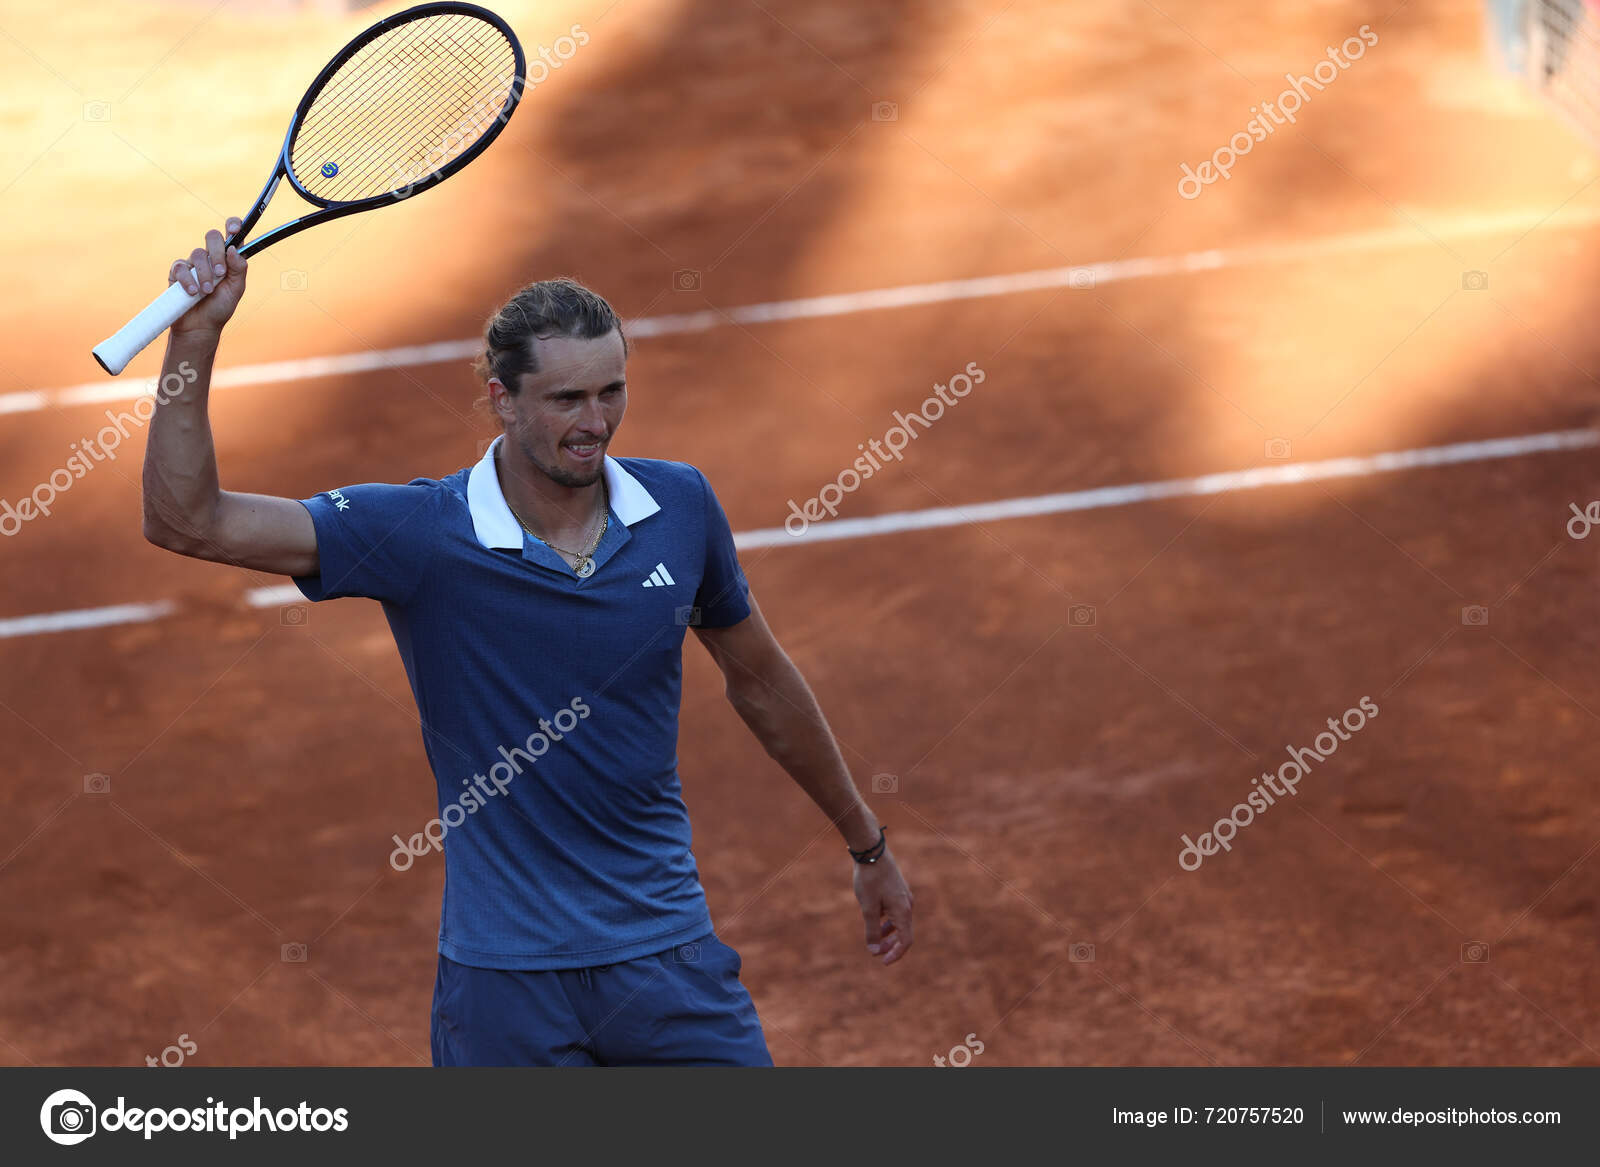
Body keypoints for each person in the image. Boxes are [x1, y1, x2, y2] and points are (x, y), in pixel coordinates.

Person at [141, 219, 914, 1066]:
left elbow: (762, 681)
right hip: (505, 986)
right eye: (567, 400)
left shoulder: (681, 508)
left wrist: (865, 841)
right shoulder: (424, 534)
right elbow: (191, 520)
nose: (596, 423)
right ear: (502, 398)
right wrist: (196, 337)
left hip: (666, 958)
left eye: (611, 392)